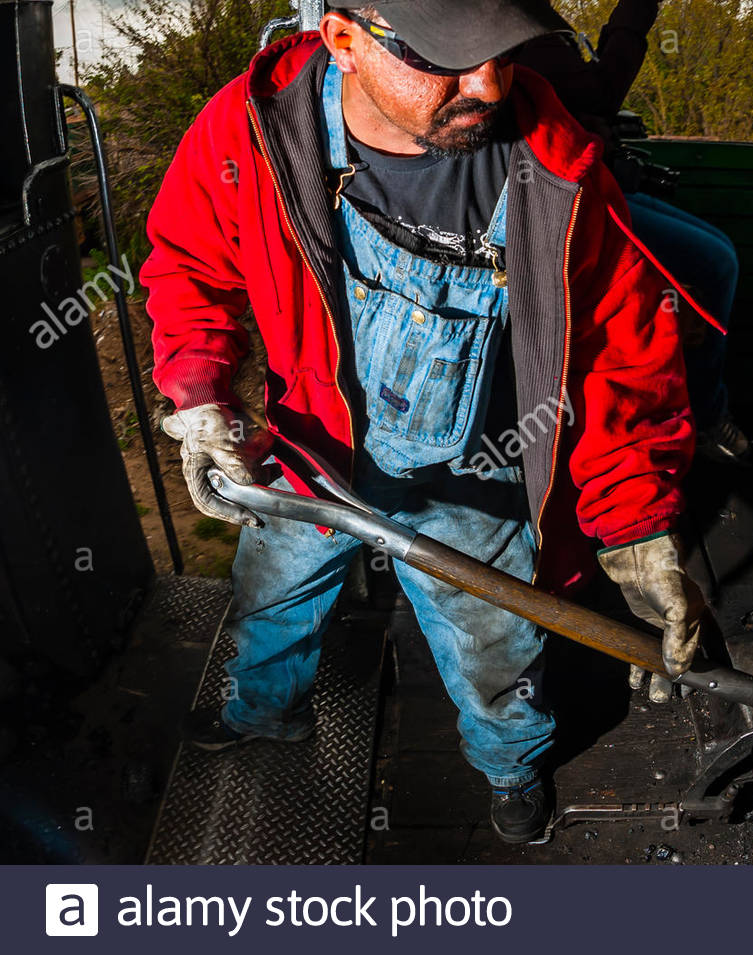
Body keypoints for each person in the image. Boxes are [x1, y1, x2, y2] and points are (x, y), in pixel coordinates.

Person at [141, 0, 716, 845]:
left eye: (501, 52)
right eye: (446, 57)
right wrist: (199, 397)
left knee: (497, 654)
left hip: (474, 477)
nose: (486, 83)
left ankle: (512, 768)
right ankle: (267, 712)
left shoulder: (556, 170)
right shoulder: (255, 129)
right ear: (344, 39)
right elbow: (193, 262)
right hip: (316, 449)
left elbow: (622, 362)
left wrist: (636, 528)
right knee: (269, 598)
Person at [515, 0, 750, 465]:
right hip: (565, 199)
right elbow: (599, 91)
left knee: (721, 251)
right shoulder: (516, 20)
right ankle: (703, 419)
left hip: (600, 180)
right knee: (713, 265)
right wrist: (635, 11)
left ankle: (698, 403)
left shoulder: (541, 19)